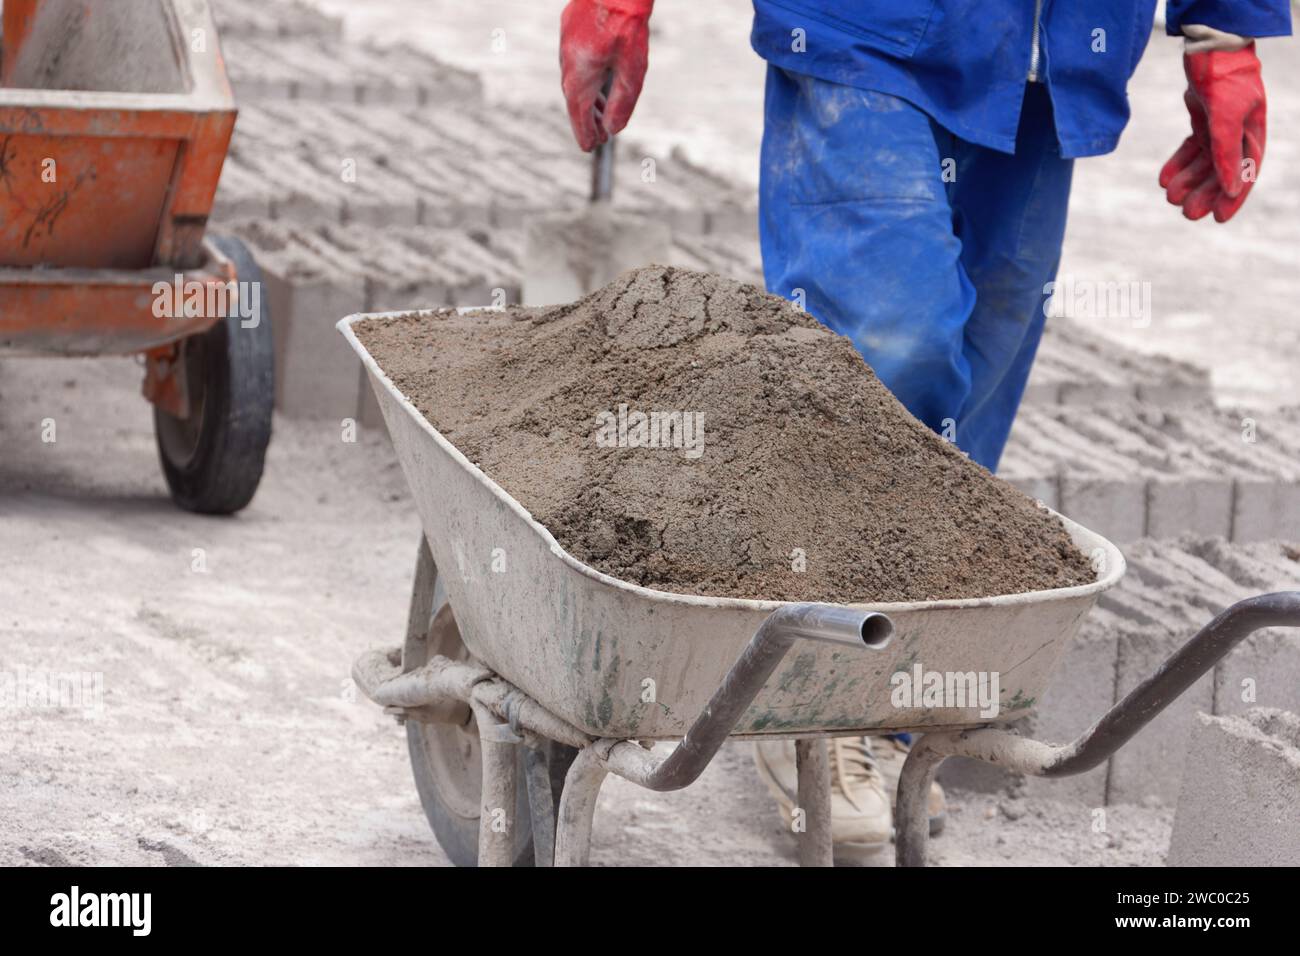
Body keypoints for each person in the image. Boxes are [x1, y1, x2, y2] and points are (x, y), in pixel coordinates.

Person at [556, 0, 1290, 856]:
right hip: (866, 28)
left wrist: (1225, 32)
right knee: (894, 343)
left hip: (1052, 56)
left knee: (976, 380)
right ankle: (806, 700)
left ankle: (884, 694)